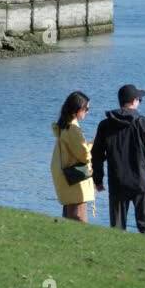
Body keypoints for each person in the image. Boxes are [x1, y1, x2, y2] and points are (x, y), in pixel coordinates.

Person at [91, 85, 145, 234]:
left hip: (117, 182)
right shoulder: (144, 123)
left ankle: (116, 255)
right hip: (141, 182)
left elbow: (97, 155)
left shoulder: (105, 125)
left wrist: (98, 180)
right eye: (140, 100)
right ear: (134, 101)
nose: (139, 102)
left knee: (117, 229)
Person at [50, 91, 95, 223]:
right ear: (78, 109)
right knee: (78, 218)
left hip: (67, 179)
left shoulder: (64, 126)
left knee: (69, 215)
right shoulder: (73, 129)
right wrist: (94, 144)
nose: (87, 112)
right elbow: (84, 155)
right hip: (76, 183)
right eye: (86, 109)